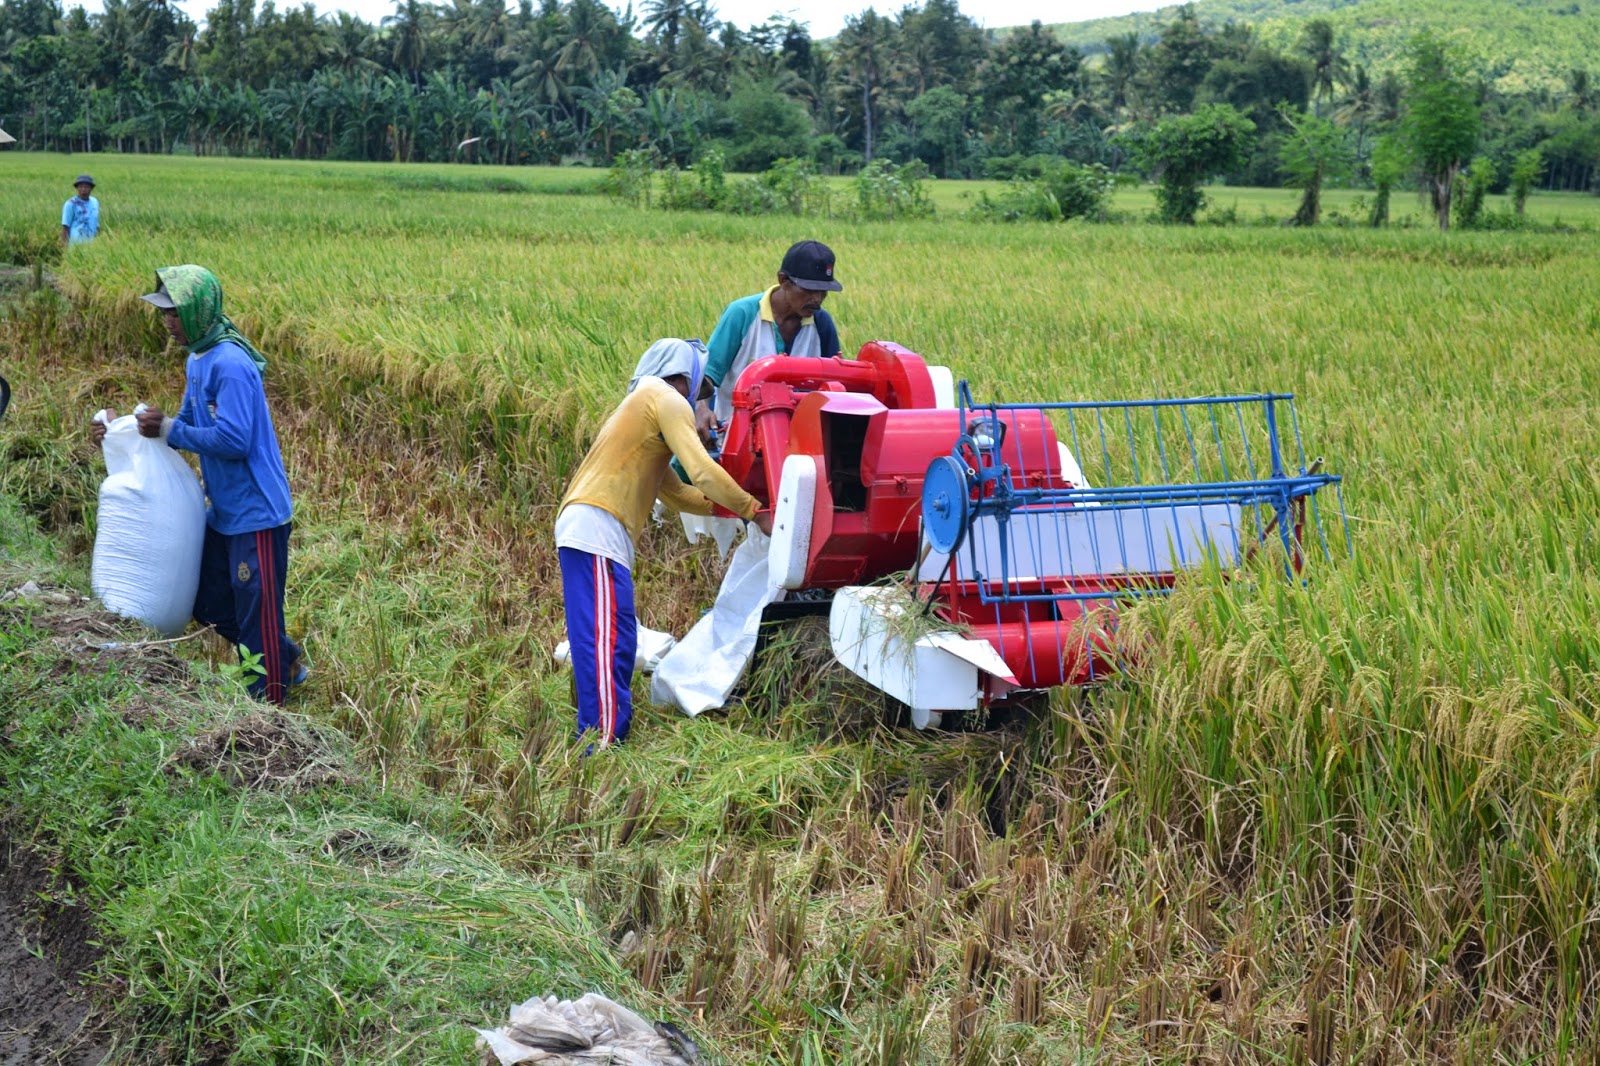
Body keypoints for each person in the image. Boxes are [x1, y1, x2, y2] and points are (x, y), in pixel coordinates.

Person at [90, 265, 306, 705]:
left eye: (174, 313)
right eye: (164, 314)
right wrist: (129, 429)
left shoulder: (231, 363)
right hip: (225, 511)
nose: (167, 322)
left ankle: (269, 712)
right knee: (205, 600)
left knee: (256, 612)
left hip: (256, 514)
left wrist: (167, 428)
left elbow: (234, 439)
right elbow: (187, 422)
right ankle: (284, 659)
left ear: (198, 311)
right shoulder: (199, 359)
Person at [556, 339, 772, 748]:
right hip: (596, 524)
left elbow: (674, 491)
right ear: (684, 375)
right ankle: (600, 741)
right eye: (700, 389)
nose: (700, 399)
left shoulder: (642, 407)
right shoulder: (664, 398)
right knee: (604, 641)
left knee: (619, 636)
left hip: (598, 527)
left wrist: (728, 509)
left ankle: (605, 733)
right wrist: (753, 509)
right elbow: (702, 472)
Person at [697, 239, 843, 434]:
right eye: (808, 290)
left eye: (823, 291)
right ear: (783, 281)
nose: (817, 299)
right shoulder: (742, 314)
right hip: (736, 437)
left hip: (801, 442)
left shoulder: (822, 324)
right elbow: (708, 375)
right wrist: (701, 409)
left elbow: (836, 383)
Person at [60, 174, 99, 246]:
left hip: (92, 246)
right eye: (80, 186)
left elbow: (96, 224)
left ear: (91, 188)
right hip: (76, 246)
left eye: (86, 187)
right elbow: (65, 228)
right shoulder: (70, 204)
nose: (83, 189)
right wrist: (65, 249)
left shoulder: (94, 202)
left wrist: (99, 242)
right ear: (77, 188)